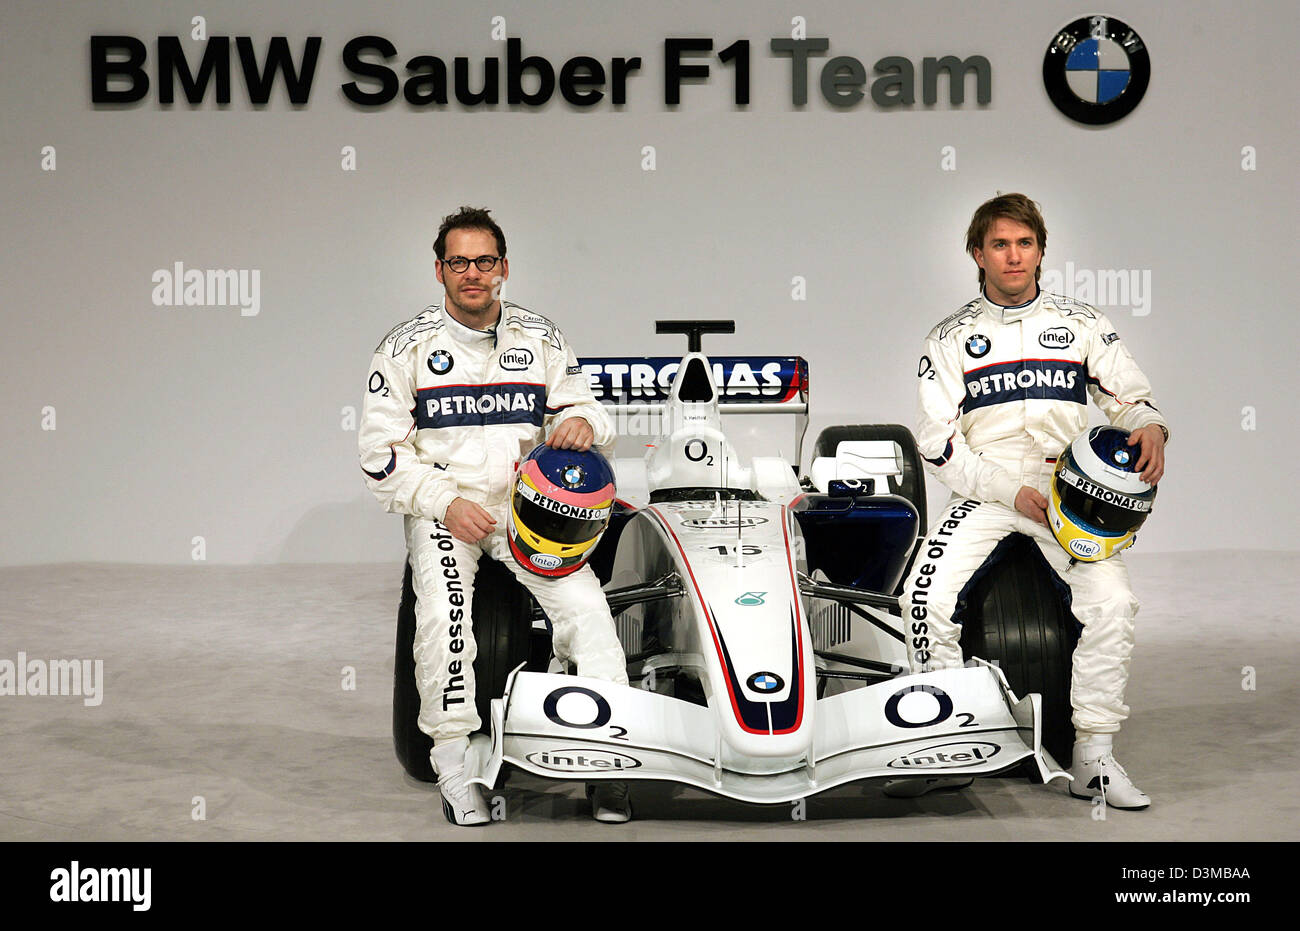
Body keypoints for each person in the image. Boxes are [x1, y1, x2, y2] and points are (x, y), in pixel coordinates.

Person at [358, 206, 631, 826]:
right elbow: (379, 457)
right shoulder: (404, 348)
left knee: (589, 614)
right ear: (439, 271)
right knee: (443, 623)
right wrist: (444, 503)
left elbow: (587, 410)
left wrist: (584, 422)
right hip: (445, 511)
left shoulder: (542, 338)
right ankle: (453, 767)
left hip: (528, 509)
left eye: (484, 261)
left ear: (503, 267)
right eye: (460, 262)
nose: (473, 273)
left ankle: (606, 756)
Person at [895, 193, 1168, 809]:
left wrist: (1151, 425)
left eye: (1024, 243)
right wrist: (1006, 490)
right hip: (987, 489)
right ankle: (942, 740)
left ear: (1041, 251)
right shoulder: (948, 338)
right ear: (977, 254)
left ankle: (1093, 757)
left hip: (1068, 492)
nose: (1013, 256)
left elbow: (1129, 398)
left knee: (1114, 603)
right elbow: (937, 446)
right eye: (999, 244)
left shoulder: (1082, 323)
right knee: (924, 599)